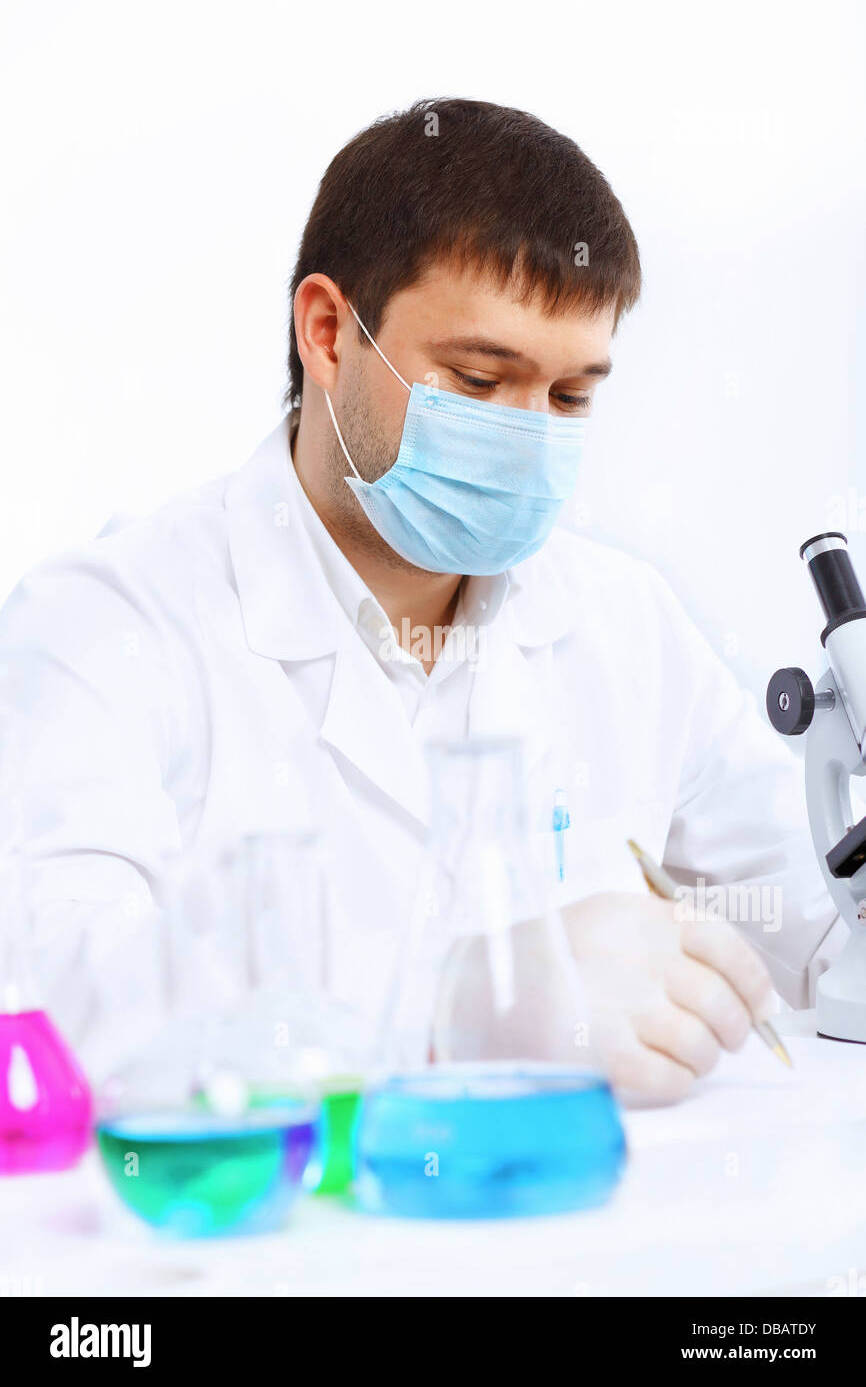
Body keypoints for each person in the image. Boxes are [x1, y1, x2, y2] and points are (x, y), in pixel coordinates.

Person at [0, 98, 843, 1099]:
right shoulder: (107, 630)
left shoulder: (624, 624)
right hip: (268, 1248)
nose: (530, 434)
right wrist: (452, 1010)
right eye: (479, 380)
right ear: (325, 333)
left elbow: (815, 917)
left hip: (584, 1238)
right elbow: (45, 1023)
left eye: (570, 396)